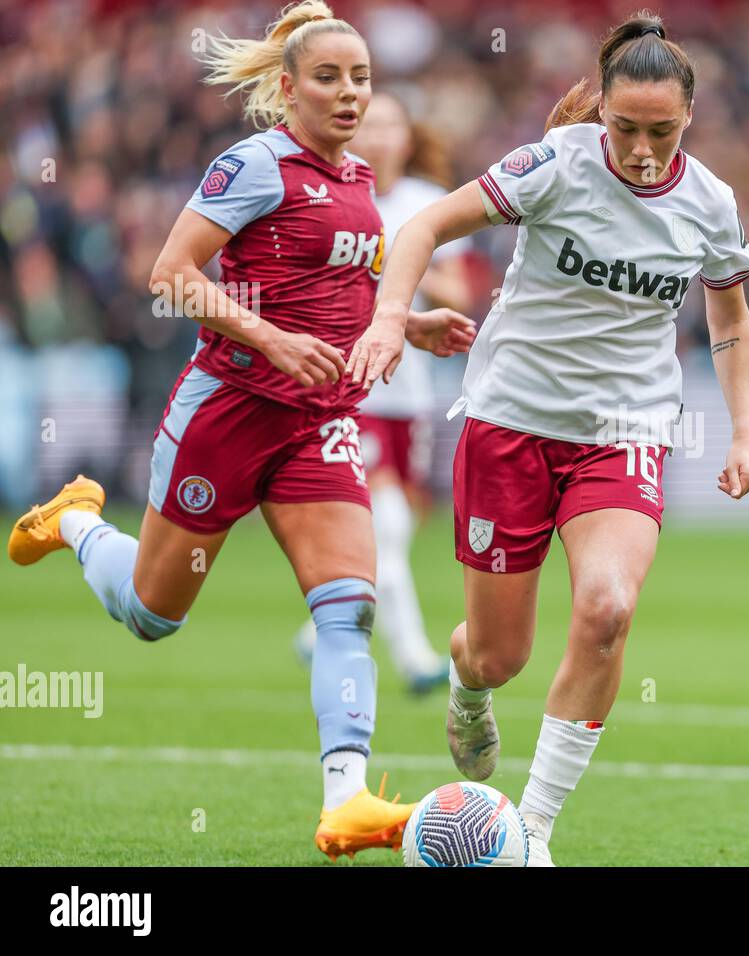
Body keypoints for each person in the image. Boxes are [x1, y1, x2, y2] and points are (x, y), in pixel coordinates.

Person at [5, 1, 473, 860]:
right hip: (226, 413)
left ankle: (347, 798)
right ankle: (72, 517)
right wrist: (268, 338)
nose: (349, 94)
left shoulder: (361, 181)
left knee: (348, 608)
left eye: (361, 78)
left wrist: (412, 323)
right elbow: (170, 274)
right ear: (287, 88)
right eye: (328, 78)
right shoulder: (254, 165)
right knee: (151, 616)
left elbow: (341, 283)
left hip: (317, 422)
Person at [345, 10, 749, 865]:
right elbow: (422, 227)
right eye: (625, 128)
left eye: (663, 131)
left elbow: (729, 310)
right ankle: (467, 692)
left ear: (690, 118)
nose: (643, 149)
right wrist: (391, 318)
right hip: (510, 423)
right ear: (599, 112)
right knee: (498, 656)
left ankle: (530, 830)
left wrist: (743, 432)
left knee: (608, 606)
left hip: (627, 430)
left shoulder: (710, 203)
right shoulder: (552, 166)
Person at [293, 91, 475, 693]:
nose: (378, 136)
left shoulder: (430, 204)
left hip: (411, 389)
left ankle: (320, 626)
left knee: (399, 521)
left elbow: (460, 293)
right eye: (369, 126)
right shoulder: (335, 195)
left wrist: (408, 268)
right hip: (351, 385)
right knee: (386, 522)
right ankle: (416, 656)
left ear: (406, 137)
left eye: (391, 126)